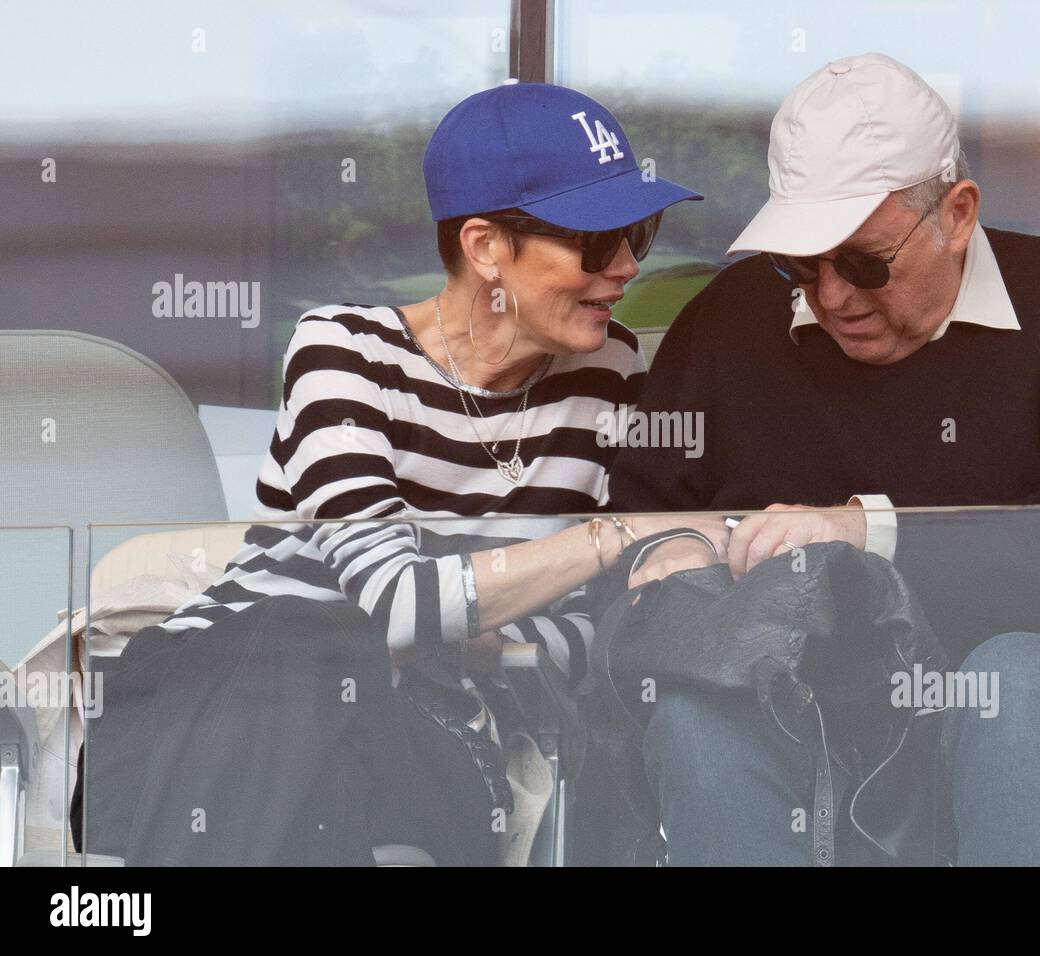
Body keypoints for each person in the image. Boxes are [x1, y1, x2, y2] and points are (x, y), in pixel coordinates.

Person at [75, 80, 723, 866]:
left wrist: (472, 622)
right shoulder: (342, 353)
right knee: (310, 642)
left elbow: (593, 636)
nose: (624, 267)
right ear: (485, 247)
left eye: (640, 232)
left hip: (418, 733)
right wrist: (606, 537)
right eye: (595, 240)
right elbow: (397, 603)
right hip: (227, 702)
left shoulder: (608, 368)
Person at [607, 53, 1040, 866]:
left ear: (957, 214)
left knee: (1011, 682)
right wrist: (678, 547)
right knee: (703, 710)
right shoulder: (730, 323)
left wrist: (865, 534)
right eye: (800, 266)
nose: (833, 296)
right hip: (822, 745)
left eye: (863, 262)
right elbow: (631, 518)